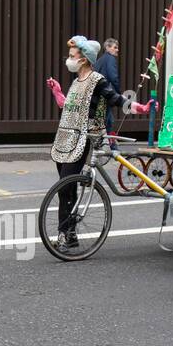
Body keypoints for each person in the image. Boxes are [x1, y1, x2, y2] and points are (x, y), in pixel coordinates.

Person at [46, 35, 150, 250]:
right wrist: (56, 91)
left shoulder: (97, 80)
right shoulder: (76, 81)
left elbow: (115, 98)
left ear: (83, 59)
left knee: (66, 184)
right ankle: (69, 235)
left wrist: (139, 108)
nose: (69, 60)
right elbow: (67, 106)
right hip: (65, 137)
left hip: (82, 137)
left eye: (73, 56)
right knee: (66, 188)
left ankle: (65, 233)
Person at [93, 37, 122, 133]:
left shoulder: (100, 60)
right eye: (115, 47)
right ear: (108, 48)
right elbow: (113, 77)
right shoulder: (110, 59)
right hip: (107, 93)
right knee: (108, 120)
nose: (117, 50)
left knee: (103, 118)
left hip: (97, 93)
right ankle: (110, 144)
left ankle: (106, 142)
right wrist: (118, 92)